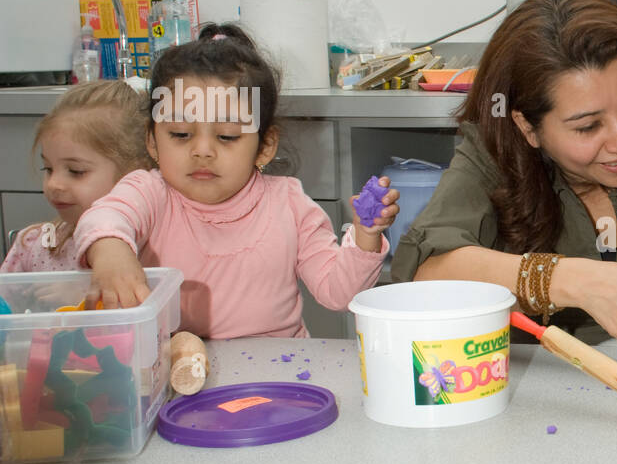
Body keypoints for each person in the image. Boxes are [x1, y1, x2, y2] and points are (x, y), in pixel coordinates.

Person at [391, 0, 617, 349]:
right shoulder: (495, 156)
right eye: (587, 127)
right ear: (527, 127)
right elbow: (428, 275)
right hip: (536, 387)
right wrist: (574, 281)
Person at [74, 24, 399, 338]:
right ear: (152, 141)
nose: (202, 150)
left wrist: (365, 237)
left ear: (264, 146)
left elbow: (337, 294)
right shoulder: (149, 193)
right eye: (180, 134)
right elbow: (105, 217)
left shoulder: (289, 204)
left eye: (227, 137)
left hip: (276, 372)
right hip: (173, 369)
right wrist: (112, 252)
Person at [1, 81, 151, 273]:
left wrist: (77, 291)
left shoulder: (149, 250)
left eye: (76, 171)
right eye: (48, 169)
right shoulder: (32, 246)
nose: (54, 184)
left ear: (135, 173)